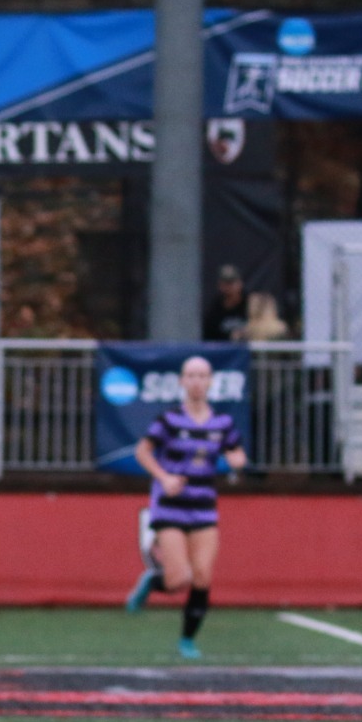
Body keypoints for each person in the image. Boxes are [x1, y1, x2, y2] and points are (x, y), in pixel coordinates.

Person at [124, 355, 248, 659]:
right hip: (170, 507)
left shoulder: (222, 422)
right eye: (191, 375)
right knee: (179, 579)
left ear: (210, 382)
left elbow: (236, 453)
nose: (196, 381)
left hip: (203, 507)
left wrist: (237, 461)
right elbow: (143, 451)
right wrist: (164, 477)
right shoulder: (169, 420)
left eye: (202, 376)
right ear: (182, 381)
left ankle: (187, 640)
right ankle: (153, 582)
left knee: (203, 576)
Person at [203, 264, 247, 342]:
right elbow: (208, 338)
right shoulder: (214, 310)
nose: (229, 287)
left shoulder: (251, 304)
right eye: (226, 283)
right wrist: (230, 337)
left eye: (232, 282)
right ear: (220, 285)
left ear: (240, 283)